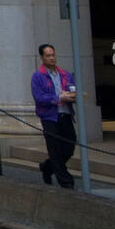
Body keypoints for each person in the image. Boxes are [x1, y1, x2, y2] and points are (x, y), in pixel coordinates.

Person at [31, 43, 78, 189]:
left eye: (53, 55)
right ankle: (65, 181)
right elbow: (39, 98)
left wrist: (73, 96)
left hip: (65, 114)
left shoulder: (65, 74)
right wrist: (58, 98)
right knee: (55, 149)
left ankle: (47, 167)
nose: (52, 58)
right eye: (48, 55)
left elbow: (73, 89)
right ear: (42, 57)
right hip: (50, 117)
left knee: (69, 146)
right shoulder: (38, 77)